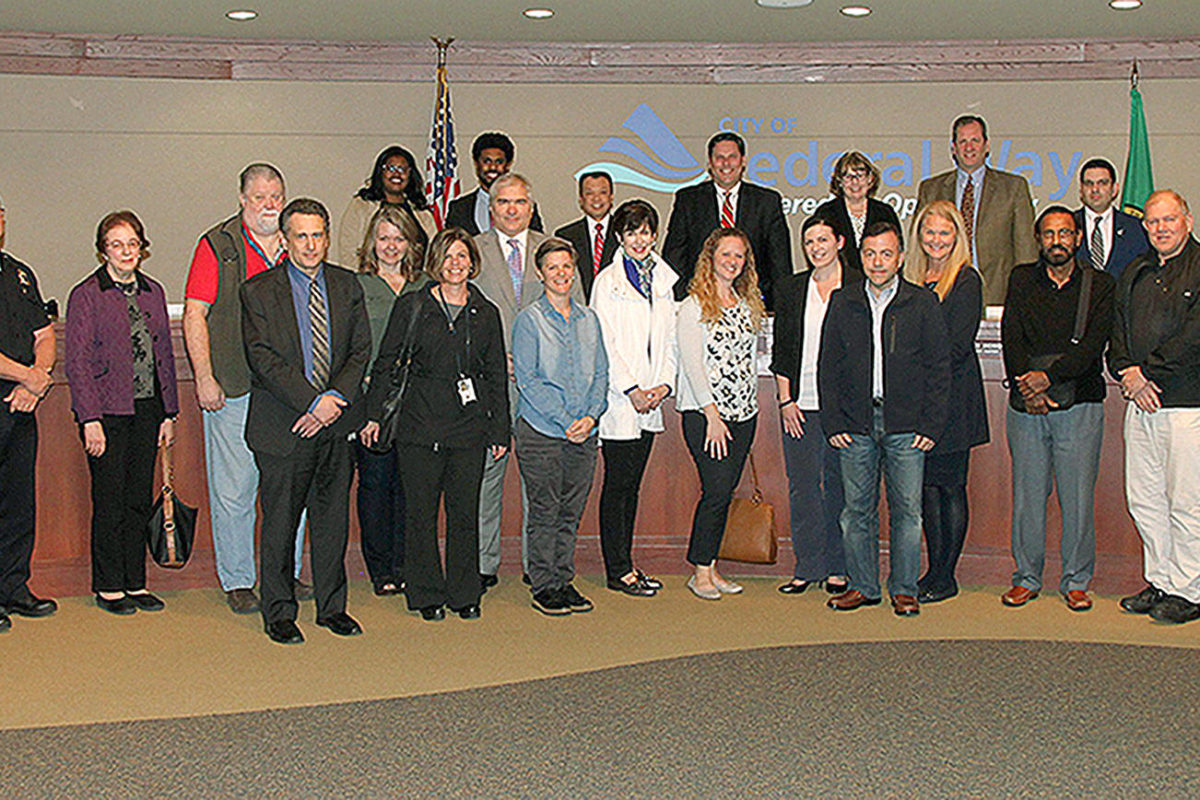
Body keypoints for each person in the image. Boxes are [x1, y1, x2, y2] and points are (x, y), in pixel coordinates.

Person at [241, 198, 371, 644]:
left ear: (328, 238)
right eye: (301, 236)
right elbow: (263, 359)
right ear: (285, 239)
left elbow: (359, 351)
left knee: (332, 521)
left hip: (334, 426)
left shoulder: (347, 285)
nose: (310, 244)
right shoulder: (258, 291)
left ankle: (333, 608)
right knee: (280, 524)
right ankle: (278, 612)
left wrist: (332, 401)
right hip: (284, 427)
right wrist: (311, 403)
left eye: (318, 235)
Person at [182, 163, 310, 615]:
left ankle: (287, 573)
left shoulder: (298, 242)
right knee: (235, 490)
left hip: (289, 393)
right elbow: (195, 314)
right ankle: (238, 579)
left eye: (276, 196)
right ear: (242, 199)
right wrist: (204, 376)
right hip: (234, 387)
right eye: (260, 197)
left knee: (290, 486)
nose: (270, 205)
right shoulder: (218, 245)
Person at [363, 228, 509, 621]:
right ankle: (426, 594)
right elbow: (386, 362)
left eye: (462, 256)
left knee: (465, 515)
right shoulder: (413, 306)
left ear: (472, 262)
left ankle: (465, 594)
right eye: (448, 257)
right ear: (435, 262)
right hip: (419, 427)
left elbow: (496, 374)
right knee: (420, 515)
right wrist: (374, 413)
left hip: (470, 430)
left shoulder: (486, 312)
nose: (455, 264)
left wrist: (500, 431)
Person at [820, 220, 950, 617]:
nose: (878, 262)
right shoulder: (843, 301)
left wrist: (930, 425)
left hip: (907, 427)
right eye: (871, 253)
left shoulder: (921, 302)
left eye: (886, 253)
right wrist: (834, 422)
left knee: (908, 511)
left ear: (900, 257)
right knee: (855, 511)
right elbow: (829, 367)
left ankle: (904, 588)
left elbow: (939, 368)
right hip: (855, 425)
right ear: (861, 256)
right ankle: (863, 586)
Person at [472, 174, 584, 589]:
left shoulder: (554, 250)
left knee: (542, 482)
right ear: (491, 207)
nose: (512, 209)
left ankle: (534, 565)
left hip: (547, 391)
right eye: (503, 202)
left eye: (519, 202)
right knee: (488, 475)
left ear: (531, 207)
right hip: (493, 383)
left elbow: (578, 315)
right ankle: (484, 564)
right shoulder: (474, 251)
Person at [65, 211, 178, 615]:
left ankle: (135, 581)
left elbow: (163, 356)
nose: (126, 251)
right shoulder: (87, 294)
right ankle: (109, 584)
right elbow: (76, 363)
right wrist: (89, 418)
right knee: (109, 501)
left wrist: (170, 414)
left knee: (137, 500)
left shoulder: (153, 291)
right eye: (116, 244)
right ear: (102, 251)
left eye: (132, 244)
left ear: (142, 248)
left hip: (148, 410)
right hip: (106, 414)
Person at [1001, 206, 1114, 612]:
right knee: (1027, 497)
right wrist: (1027, 386)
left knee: (1077, 498)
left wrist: (1046, 379)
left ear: (1078, 238)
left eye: (1065, 233)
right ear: (1039, 240)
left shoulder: (1098, 284)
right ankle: (1026, 577)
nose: (1057, 241)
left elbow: (1093, 346)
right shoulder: (1021, 279)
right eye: (1048, 234)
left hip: (1080, 404)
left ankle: (1077, 580)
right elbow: (1011, 336)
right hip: (1026, 407)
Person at [1108, 190, 1200, 624]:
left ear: (1188, 220)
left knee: (1186, 501)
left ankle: (1190, 588)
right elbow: (1117, 330)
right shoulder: (1135, 270)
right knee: (1145, 499)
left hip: (1185, 405)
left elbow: (1193, 338)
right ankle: (1162, 580)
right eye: (1152, 222)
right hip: (1139, 404)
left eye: (1169, 220)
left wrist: (1148, 376)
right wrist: (1126, 371)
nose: (1160, 228)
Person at [513, 238, 608, 615]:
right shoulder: (529, 320)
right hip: (542, 433)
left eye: (566, 266)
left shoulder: (589, 319)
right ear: (540, 273)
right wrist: (567, 420)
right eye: (552, 267)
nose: (561, 274)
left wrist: (591, 416)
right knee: (544, 510)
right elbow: (528, 379)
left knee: (570, 511)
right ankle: (544, 585)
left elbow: (602, 373)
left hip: (584, 433)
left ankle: (563, 579)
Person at [902, 201, 989, 604]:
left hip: (953, 400)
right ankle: (932, 571)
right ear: (919, 236)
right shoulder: (912, 279)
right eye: (929, 232)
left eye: (944, 233)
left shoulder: (967, 280)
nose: (936, 240)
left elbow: (956, 346)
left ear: (957, 237)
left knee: (950, 487)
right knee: (926, 490)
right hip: (918, 403)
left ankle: (946, 575)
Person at [771, 214, 861, 596]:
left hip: (843, 408)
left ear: (839, 242)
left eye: (823, 240)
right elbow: (782, 348)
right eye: (809, 242)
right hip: (799, 405)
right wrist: (785, 399)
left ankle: (839, 568)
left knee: (841, 488)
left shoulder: (857, 284)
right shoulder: (792, 288)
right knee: (803, 487)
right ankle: (807, 566)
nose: (816, 248)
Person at [590, 199, 677, 598]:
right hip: (621, 401)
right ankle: (618, 569)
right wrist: (631, 389)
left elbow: (669, 340)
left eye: (645, 232)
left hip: (652, 399)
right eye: (631, 232)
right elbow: (603, 342)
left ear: (654, 235)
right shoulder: (607, 282)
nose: (639, 240)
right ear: (620, 237)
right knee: (618, 485)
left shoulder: (663, 278)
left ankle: (627, 564)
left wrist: (663, 385)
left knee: (633, 487)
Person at [676, 227, 765, 600]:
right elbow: (692, 364)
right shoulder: (693, 304)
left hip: (744, 414)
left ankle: (712, 567)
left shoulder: (746, 302)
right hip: (707, 416)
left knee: (724, 492)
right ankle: (699, 570)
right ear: (710, 257)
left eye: (739, 256)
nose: (732, 262)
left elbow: (748, 359)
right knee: (715, 491)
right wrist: (712, 415)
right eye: (726, 254)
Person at [353, 206, 428, 597]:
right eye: (383, 238)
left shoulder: (426, 285)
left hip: (418, 405)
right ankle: (381, 567)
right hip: (374, 403)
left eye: (398, 238)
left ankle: (405, 564)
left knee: (410, 488)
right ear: (372, 242)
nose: (391, 246)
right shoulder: (357, 286)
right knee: (376, 485)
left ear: (410, 244)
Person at [0, 194, 57, 630]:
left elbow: (44, 332)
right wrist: (29, 377)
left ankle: (13, 587)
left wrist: (37, 376)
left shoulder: (20, 273)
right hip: (15, 390)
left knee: (19, 503)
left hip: (22, 405)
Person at [917, 115, 1038, 305]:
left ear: (987, 145)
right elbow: (919, 248)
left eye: (975, 140)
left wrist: (1024, 298)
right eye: (962, 141)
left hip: (998, 295)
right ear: (953, 148)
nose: (969, 147)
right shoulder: (931, 189)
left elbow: (1026, 251)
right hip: (943, 295)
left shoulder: (1014, 188)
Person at [663, 131, 792, 310]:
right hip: (699, 302)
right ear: (710, 162)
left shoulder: (767, 202)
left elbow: (780, 264)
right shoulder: (688, 200)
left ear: (743, 161)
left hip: (754, 304)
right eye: (719, 158)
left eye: (732, 157)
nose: (726, 163)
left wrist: (778, 306)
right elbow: (674, 256)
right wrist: (686, 301)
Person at [337, 145, 437, 269]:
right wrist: (359, 282)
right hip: (370, 283)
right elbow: (348, 251)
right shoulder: (361, 206)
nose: (396, 174)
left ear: (410, 174)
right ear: (381, 172)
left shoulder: (421, 212)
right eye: (391, 168)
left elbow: (435, 254)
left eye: (402, 169)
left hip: (417, 283)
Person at [814, 151, 901, 275]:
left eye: (860, 175)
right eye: (848, 177)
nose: (855, 182)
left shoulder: (885, 212)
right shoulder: (827, 213)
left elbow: (895, 251)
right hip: (838, 282)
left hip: (878, 280)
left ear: (870, 179)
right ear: (839, 181)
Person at [446, 132, 544, 235]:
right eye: (487, 161)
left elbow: (536, 244)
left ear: (508, 165)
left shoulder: (524, 206)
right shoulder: (459, 209)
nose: (492, 167)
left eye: (499, 162)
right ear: (476, 163)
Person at [1074, 157, 1150, 281]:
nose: (1095, 189)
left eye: (1102, 183)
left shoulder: (1135, 228)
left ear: (1114, 189)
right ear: (1081, 190)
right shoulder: (1069, 225)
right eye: (1089, 183)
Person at [554, 170, 619, 301]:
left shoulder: (624, 234)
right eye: (589, 193)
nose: (596, 198)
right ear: (581, 199)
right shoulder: (565, 236)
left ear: (611, 197)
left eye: (603, 192)